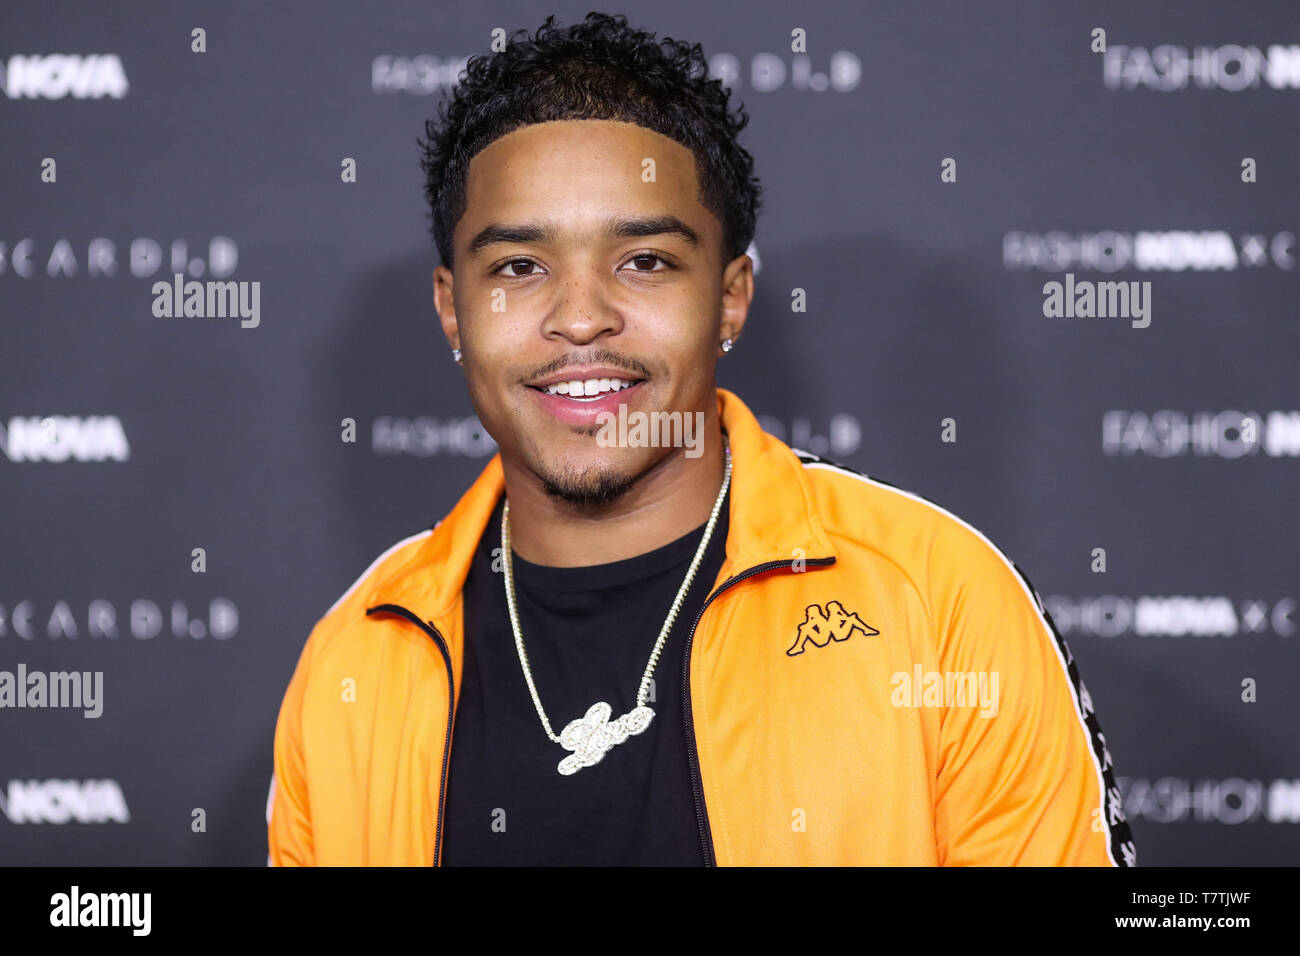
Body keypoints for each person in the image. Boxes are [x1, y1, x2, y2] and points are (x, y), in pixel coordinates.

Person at [268, 12, 1135, 866]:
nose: (580, 319)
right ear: (453, 310)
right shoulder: (358, 658)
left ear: (730, 298)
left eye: (644, 260)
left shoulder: (939, 605)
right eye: (519, 267)